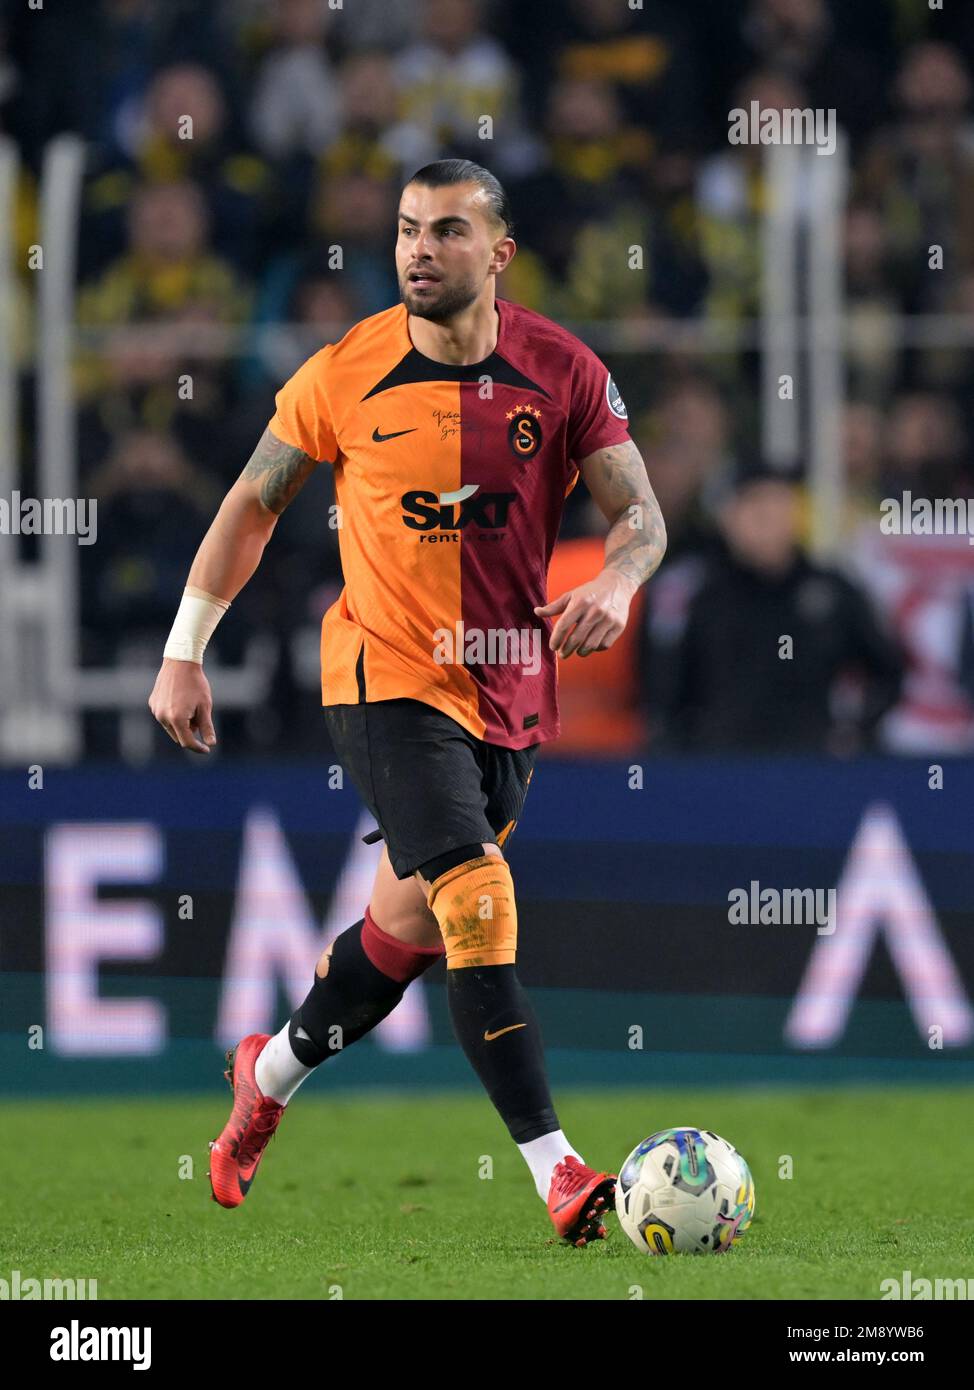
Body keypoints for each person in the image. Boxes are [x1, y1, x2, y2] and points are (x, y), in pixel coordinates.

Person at [148, 159, 667, 1245]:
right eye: (403, 230)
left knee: (402, 932)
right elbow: (251, 505)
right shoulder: (343, 374)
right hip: (382, 675)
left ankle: (268, 1075)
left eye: (443, 230)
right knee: (475, 893)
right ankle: (557, 1168)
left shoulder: (561, 372)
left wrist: (615, 581)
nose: (417, 250)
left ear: (498, 253)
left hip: (509, 692)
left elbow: (641, 516)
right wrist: (184, 649)